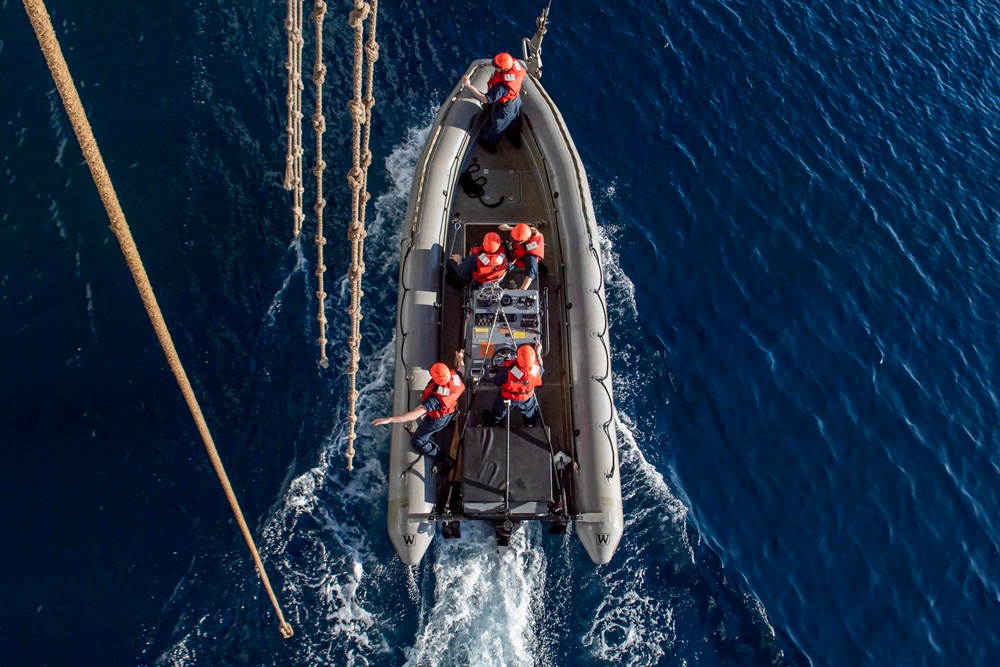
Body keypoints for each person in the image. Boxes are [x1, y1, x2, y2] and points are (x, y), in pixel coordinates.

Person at [372, 350, 466, 470]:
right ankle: (450, 419)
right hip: (448, 410)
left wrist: (389, 420)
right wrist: (460, 359)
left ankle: (443, 458)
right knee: (444, 416)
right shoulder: (455, 378)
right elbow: (461, 370)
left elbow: (414, 416)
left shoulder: (434, 400)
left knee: (417, 441)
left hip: (437, 419)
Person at [461, 52, 527, 153]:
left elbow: (486, 99)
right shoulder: (515, 66)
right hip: (515, 102)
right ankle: (515, 142)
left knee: (497, 127)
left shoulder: (502, 87)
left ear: (503, 69)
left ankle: (491, 145)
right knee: (514, 122)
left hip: (504, 109)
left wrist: (469, 86)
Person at [490, 342, 543, 427]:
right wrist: (537, 353)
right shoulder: (536, 369)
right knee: (531, 413)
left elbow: (497, 382)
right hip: (527, 398)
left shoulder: (507, 369)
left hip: (507, 397)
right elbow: (540, 364)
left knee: (498, 412)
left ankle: (493, 424)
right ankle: (531, 424)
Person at [499, 222, 544, 290]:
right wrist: (508, 228)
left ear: (524, 241)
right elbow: (520, 231)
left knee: (507, 267)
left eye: (516, 241)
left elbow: (530, 275)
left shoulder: (530, 256)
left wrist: (521, 291)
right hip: (517, 252)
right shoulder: (528, 231)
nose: (513, 241)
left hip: (521, 260)